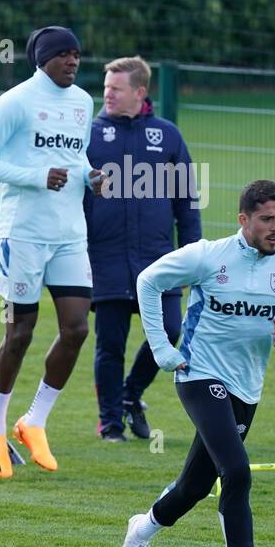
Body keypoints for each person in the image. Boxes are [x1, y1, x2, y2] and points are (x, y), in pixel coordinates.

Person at [114, 180, 275, 547]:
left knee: (194, 487)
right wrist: (162, 350)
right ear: (243, 219)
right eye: (267, 219)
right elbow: (148, 281)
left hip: (248, 386)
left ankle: (144, 526)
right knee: (237, 470)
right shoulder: (209, 256)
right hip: (199, 374)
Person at [0, 26, 103, 478]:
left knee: (78, 328)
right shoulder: (15, 102)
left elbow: (78, 156)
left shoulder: (83, 102)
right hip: (22, 233)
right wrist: (36, 176)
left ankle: (35, 420)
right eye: (63, 54)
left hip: (69, 233)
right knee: (20, 331)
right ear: (43, 58)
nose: (73, 61)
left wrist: (91, 176)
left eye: (77, 54)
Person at [85, 55, 201, 442]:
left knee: (168, 331)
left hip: (158, 260)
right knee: (110, 343)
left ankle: (130, 395)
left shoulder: (167, 136)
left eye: (115, 89)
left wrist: (193, 258)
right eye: (105, 88)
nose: (107, 96)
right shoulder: (89, 134)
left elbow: (187, 202)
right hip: (106, 257)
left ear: (139, 92)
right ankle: (111, 424)